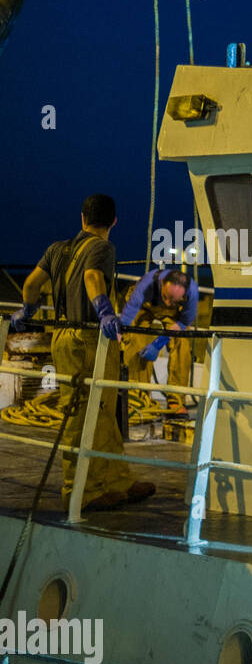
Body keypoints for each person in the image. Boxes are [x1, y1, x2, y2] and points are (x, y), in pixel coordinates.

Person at [8, 194, 155, 510]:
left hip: (61, 336)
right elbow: (92, 276)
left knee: (102, 412)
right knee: (81, 416)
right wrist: (104, 310)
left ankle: (117, 480)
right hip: (88, 339)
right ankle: (81, 493)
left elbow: (32, 284)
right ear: (113, 221)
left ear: (82, 218)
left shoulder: (56, 249)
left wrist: (28, 310)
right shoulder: (102, 248)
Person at [120, 266, 199, 390]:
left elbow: (182, 323)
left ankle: (176, 399)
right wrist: (122, 335)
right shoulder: (145, 286)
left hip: (172, 312)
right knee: (136, 339)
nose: (167, 303)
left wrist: (157, 344)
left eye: (173, 300)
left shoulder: (192, 293)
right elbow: (127, 318)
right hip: (144, 305)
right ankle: (137, 394)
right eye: (166, 297)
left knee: (182, 341)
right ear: (162, 284)